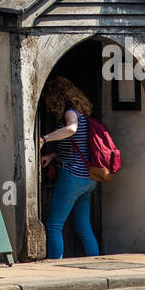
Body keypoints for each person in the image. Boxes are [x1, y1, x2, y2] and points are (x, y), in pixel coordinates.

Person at [39, 75, 99, 260]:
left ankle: (55, 264)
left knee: (54, 224)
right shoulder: (82, 112)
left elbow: (71, 130)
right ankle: (95, 260)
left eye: (49, 98)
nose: (48, 103)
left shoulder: (70, 113)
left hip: (72, 176)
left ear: (57, 96)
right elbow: (77, 144)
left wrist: (45, 139)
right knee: (83, 224)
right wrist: (51, 156)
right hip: (88, 179)